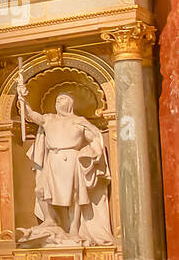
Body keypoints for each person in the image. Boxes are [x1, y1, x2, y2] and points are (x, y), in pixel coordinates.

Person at [16, 84, 112, 245]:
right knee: (40, 190)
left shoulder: (79, 121)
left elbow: (95, 137)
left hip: (72, 158)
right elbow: (31, 115)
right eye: (57, 99)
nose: (58, 102)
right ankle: (49, 220)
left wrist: (91, 153)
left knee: (74, 195)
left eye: (62, 99)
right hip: (53, 158)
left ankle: (74, 228)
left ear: (70, 102)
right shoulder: (49, 119)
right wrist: (22, 98)